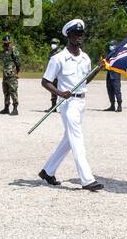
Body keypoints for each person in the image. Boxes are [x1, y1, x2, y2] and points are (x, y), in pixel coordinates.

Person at [38, 19, 102, 191]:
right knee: (77, 138)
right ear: (69, 35)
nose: (79, 37)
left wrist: (97, 70)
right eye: (76, 34)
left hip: (81, 101)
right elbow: (45, 81)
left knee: (69, 139)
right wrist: (60, 93)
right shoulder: (58, 58)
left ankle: (47, 171)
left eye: (81, 34)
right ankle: (87, 179)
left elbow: (84, 81)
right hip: (68, 103)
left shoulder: (85, 58)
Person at [0, 34, 22, 115]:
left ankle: (15, 109)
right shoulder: (4, 50)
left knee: (13, 90)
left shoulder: (13, 49)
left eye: (7, 42)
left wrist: (17, 72)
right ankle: (6, 108)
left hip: (12, 74)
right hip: (5, 74)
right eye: (4, 42)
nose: (5, 44)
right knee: (6, 91)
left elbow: (18, 62)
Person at [103, 40, 122, 112]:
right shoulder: (108, 53)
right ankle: (112, 105)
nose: (110, 46)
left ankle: (119, 106)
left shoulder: (118, 54)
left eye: (112, 45)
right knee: (109, 89)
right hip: (109, 73)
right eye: (110, 45)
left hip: (116, 73)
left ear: (115, 46)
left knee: (117, 90)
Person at [46, 38, 62, 108]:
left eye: (55, 43)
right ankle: (53, 106)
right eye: (52, 43)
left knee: (62, 89)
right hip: (53, 74)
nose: (53, 44)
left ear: (58, 44)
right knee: (53, 89)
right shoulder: (51, 53)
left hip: (60, 74)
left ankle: (63, 106)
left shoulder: (61, 52)